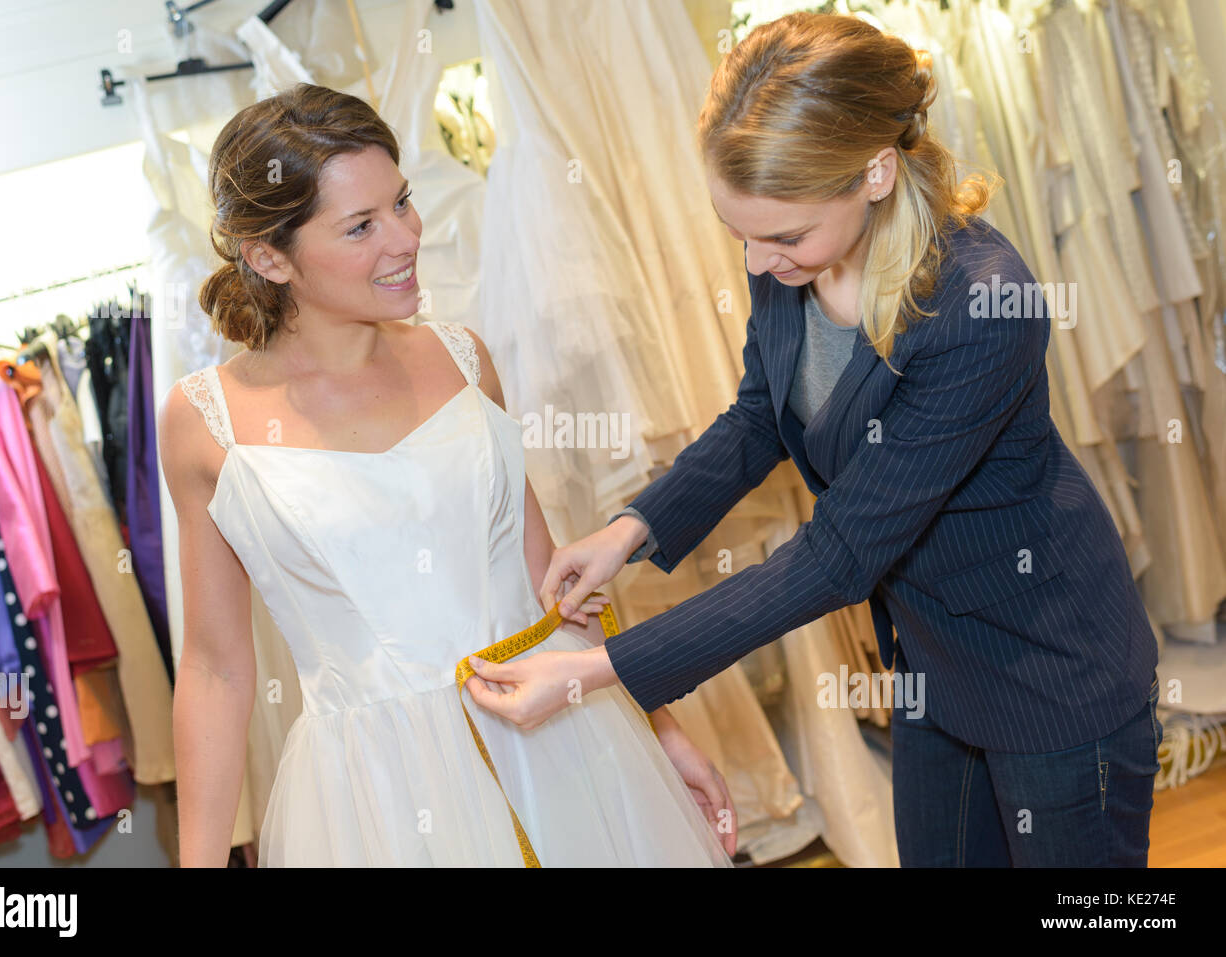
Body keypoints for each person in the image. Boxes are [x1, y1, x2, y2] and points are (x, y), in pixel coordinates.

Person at [467, 11, 1164, 868]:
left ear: (875, 171)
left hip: (1051, 670)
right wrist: (631, 531)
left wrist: (596, 671)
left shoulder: (981, 304)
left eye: (783, 237)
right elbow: (761, 415)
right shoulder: (790, 257)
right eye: (741, 236)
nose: (757, 263)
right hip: (930, 666)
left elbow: (839, 555)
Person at [157, 83, 735, 867]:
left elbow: (553, 581)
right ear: (268, 256)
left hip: (566, 734)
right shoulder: (205, 423)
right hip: (380, 798)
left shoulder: (463, 357)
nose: (404, 238)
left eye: (401, 202)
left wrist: (659, 726)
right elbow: (218, 667)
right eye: (361, 226)